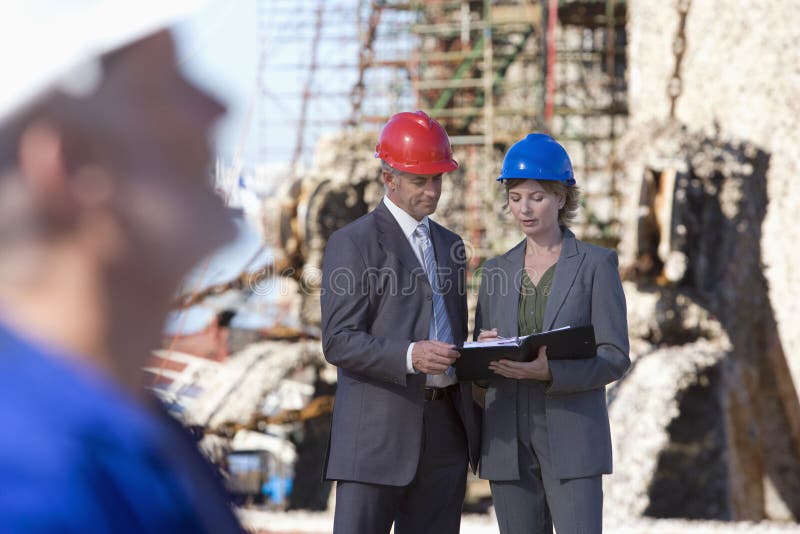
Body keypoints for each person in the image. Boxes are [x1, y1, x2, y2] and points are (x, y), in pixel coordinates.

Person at [0, 2, 244, 532]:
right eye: (168, 84)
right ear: (74, 163)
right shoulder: (31, 490)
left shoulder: (135, 435)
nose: (219, 106)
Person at [320, 110, 481, 534]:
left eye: (438, 179)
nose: (432, 191)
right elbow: (338, 340)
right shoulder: (353, 243)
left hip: (445, 433)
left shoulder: (451, 246)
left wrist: (480, 350)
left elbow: (451, 334)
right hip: (376, 437)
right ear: (389, 178)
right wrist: (411, 356)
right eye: (420, 180)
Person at [474, 134, 630, 534]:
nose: (524, 208)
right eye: (515, 198)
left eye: (537, 197)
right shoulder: (495, 271)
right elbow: (478, 367)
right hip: (506, 440)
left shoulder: (597, 265)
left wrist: (551, 373)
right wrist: (481, 353)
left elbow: (614, 356)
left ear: (561, 198)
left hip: (573, 436)